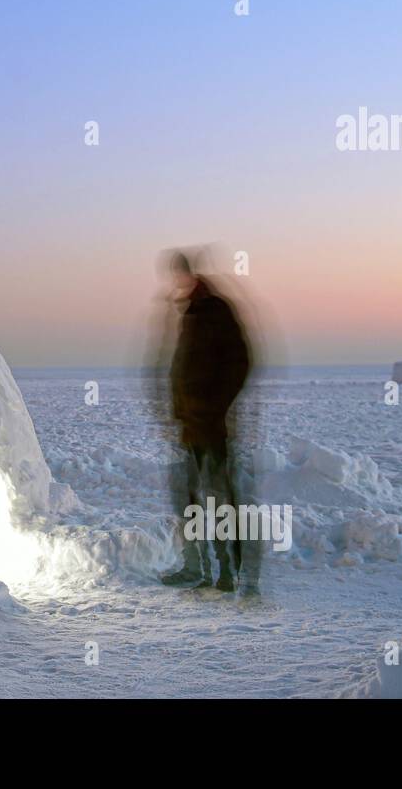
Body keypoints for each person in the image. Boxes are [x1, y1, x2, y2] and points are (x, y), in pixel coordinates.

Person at [159, 251, 251, 592]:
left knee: (218, 499)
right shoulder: (191, 313)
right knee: (190, 499)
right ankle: (195, 566)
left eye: (181, 274)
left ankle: (227, 572)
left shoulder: (215, 311)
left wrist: (216, 406)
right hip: (190, 427)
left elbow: (240, 362)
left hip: (213, 426)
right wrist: (178, 408)